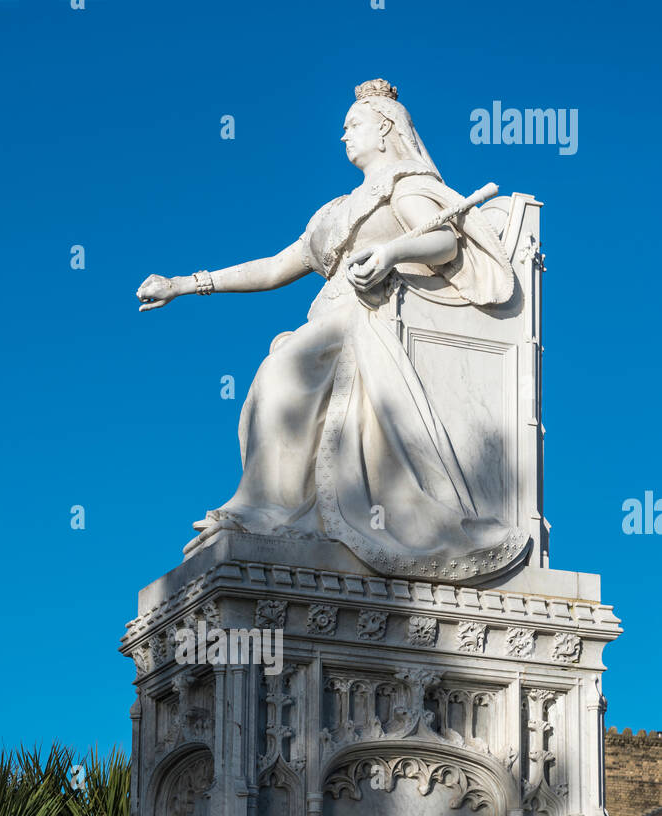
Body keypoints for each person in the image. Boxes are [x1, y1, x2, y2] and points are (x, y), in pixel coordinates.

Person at [136, 79, 528, 581]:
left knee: (281, 372)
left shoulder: (405, 187)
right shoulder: (335, 210)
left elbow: (442, 244)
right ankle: (270, 507)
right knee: (271, 380)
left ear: (385, 128)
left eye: (353, 125)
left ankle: (267, 511)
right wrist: (187, 284)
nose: (343, 136)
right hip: (326, 320)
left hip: (364, 318)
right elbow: (277, 267)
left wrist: (390, 252)